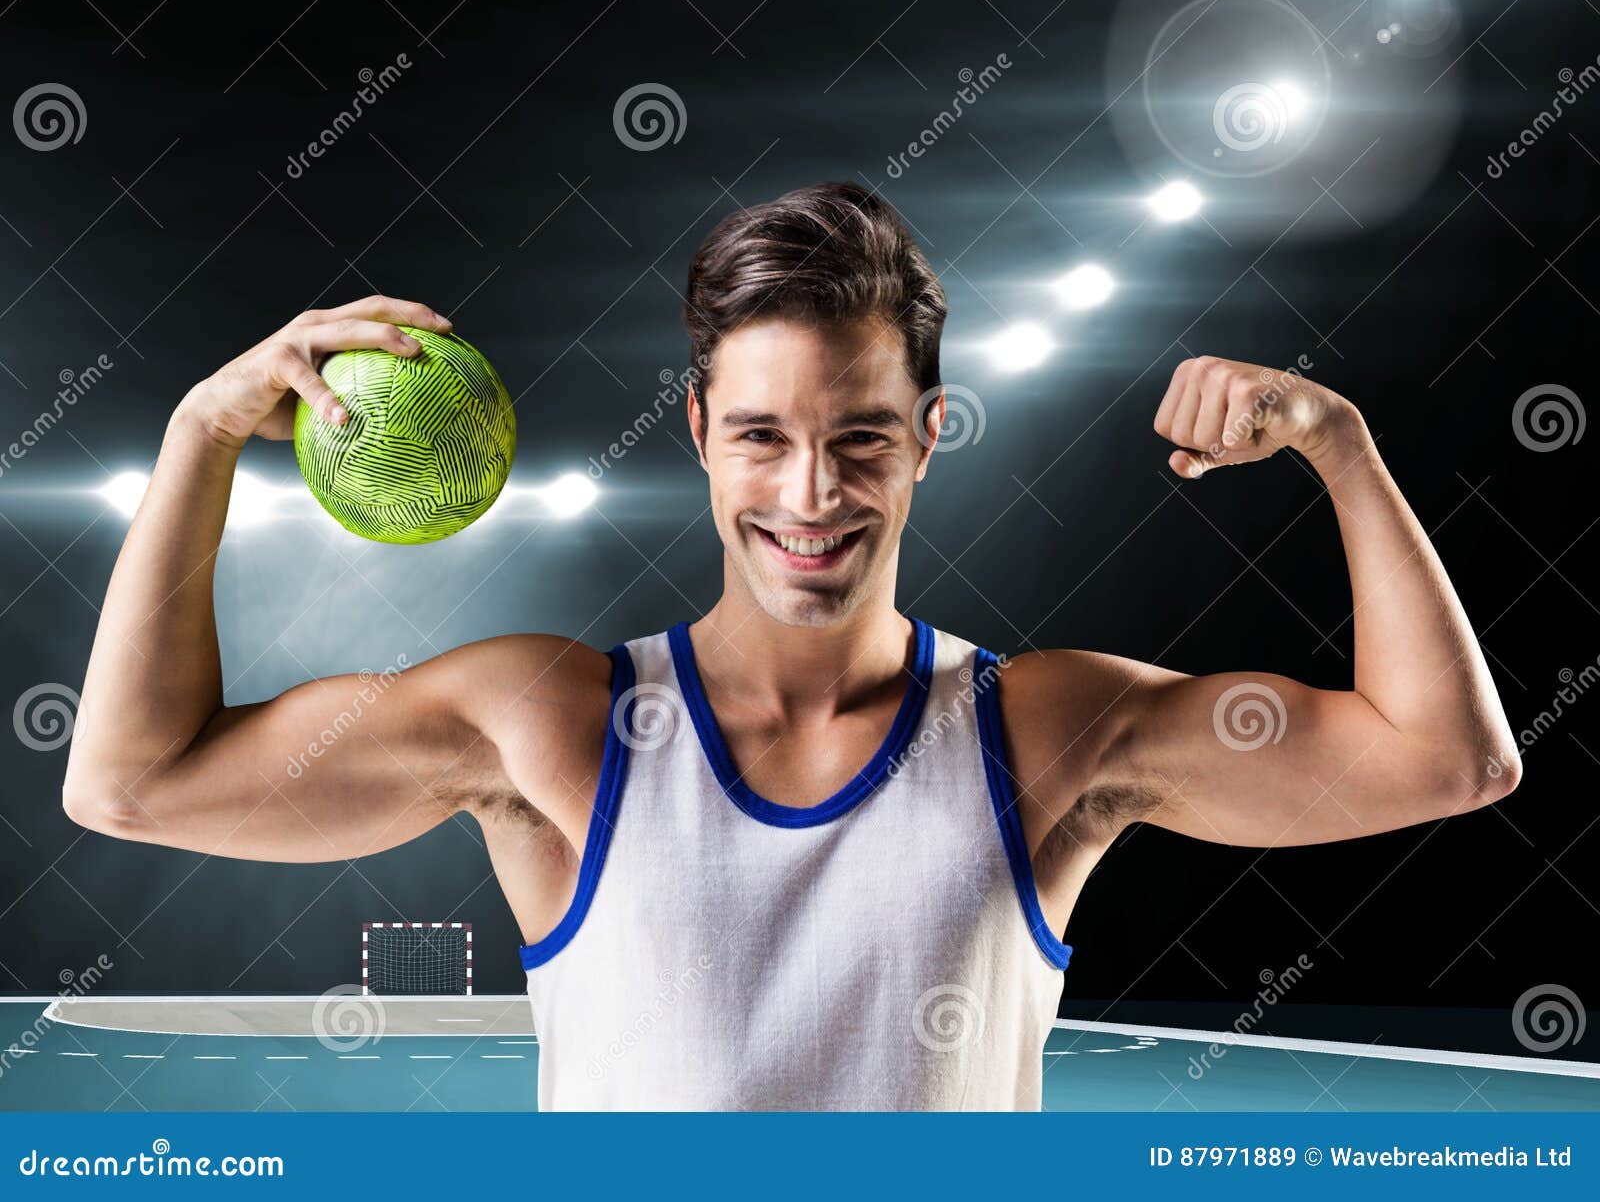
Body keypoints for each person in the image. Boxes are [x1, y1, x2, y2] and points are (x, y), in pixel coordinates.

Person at [62, 182, 1520, 1111]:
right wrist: (201, 432)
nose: (812, 493)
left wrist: (1339, 443)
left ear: (932, 439)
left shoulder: (1043, 734)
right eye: (760, 435)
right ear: (698, 433)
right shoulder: (545, 724)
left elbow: (1447, 760)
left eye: (862, 439)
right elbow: (130, 782)